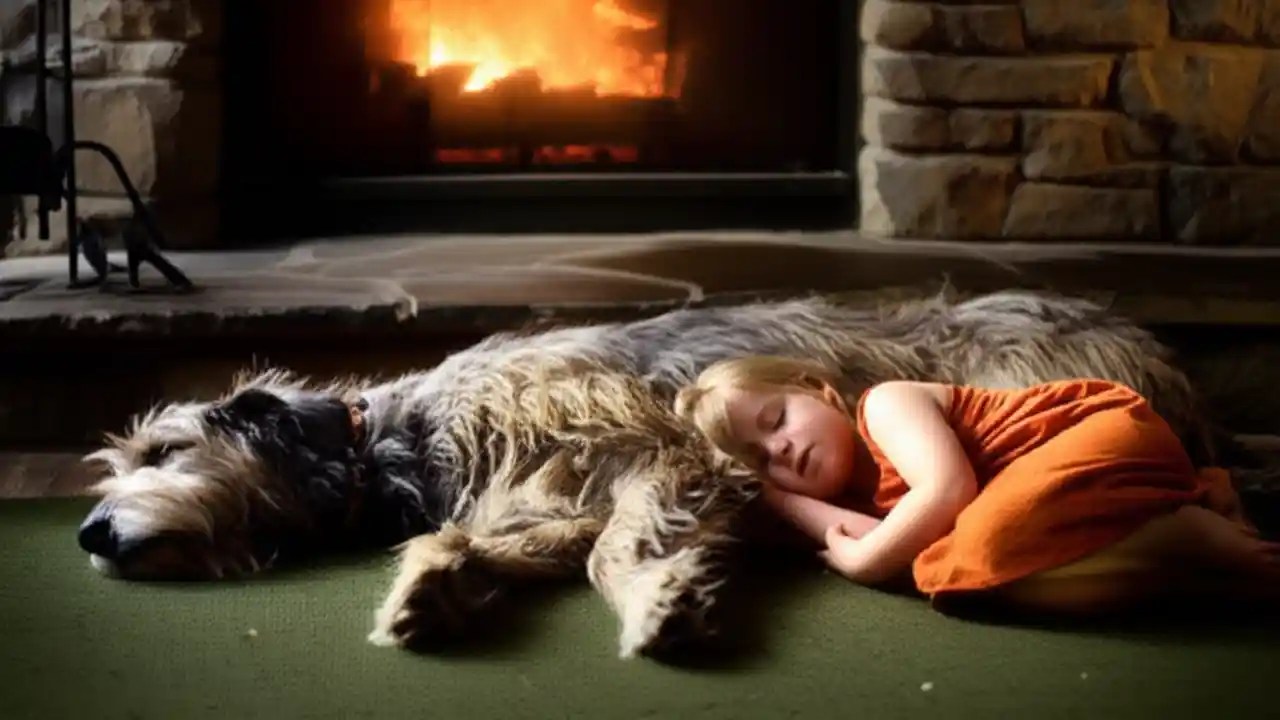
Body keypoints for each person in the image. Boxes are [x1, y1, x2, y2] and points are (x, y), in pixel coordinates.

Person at [674, 355, 1280, 617]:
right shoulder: (863, 502)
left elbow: (945, 492)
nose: (780, 448)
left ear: (819, 389)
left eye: (776, 420)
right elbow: (905, 555)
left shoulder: (885, 406)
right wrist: (780, 498)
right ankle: (1183, 544)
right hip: (1067, 511)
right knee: (967, 581)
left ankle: (1188, 531)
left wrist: (861, 565)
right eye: (761, 460)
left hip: (1105, 439)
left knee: (977, 547)